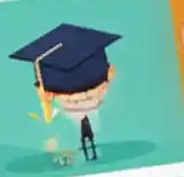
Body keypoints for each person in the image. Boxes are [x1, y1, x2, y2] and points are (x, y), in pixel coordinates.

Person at [10, 23, 122, 163]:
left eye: (92, 90)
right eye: (69, 97)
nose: (82, 97)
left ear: (111, 74)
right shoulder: (38, 130)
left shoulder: (121, 118)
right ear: (44, 93)